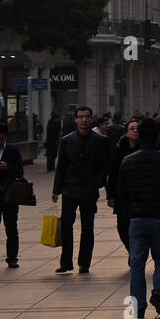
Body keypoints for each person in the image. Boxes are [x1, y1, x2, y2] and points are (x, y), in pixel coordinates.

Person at [116, 116, 160, 319]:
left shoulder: (127, 161)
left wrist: (130, 212)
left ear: (140, 136)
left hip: (137, 219)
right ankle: (158, 295)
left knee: (137, 263)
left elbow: (121, 193)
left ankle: (138, 306)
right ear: (159, 136)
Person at [52, 106, 110, 274]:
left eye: (87, 117)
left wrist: (98, 182)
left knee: (87, 226)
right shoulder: (67, 140)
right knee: (66, 225)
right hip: (70, 189)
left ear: (92, 119)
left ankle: (84, 262)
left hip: (89, 190)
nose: (84, 120)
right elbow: (61, 166)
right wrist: (56, 189)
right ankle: (66, 262)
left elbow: (105, 165)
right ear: (75, 120)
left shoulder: (100, 141)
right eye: (80, 117)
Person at [106, 118, 140, 259]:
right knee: (122, 225)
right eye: (132, 128)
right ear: (126, 132)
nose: (135, 131)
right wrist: (110, 195)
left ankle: (137, 252)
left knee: (138, 225)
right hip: (122, 194)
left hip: (139, 194)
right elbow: (112, 173)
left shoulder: (145, 148)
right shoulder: (119, 149)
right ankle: (131, 249)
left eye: (137, 128)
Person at [0, 122, 24, 268]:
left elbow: (20, 172)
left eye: (1, 139)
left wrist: (8, 167)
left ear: (6, 138)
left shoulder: (13, 151)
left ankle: (12, 258)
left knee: (11, 228)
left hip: (10, 195)